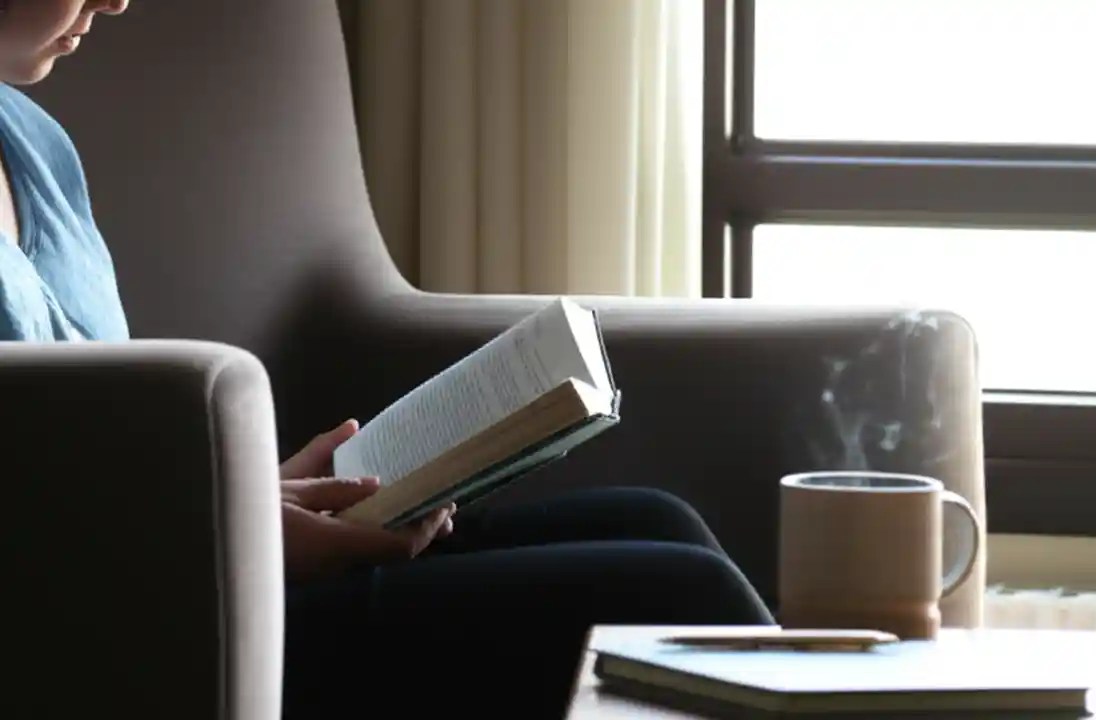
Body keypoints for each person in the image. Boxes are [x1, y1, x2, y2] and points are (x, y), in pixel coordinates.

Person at [0, 2, 774, 717]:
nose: (115, 1)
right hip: (127, 626)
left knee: (656, 520)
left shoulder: (37, 145)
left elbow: (87, 448)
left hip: (189, 557)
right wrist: (226, 535)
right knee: (672, 590)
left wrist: (252, 498)